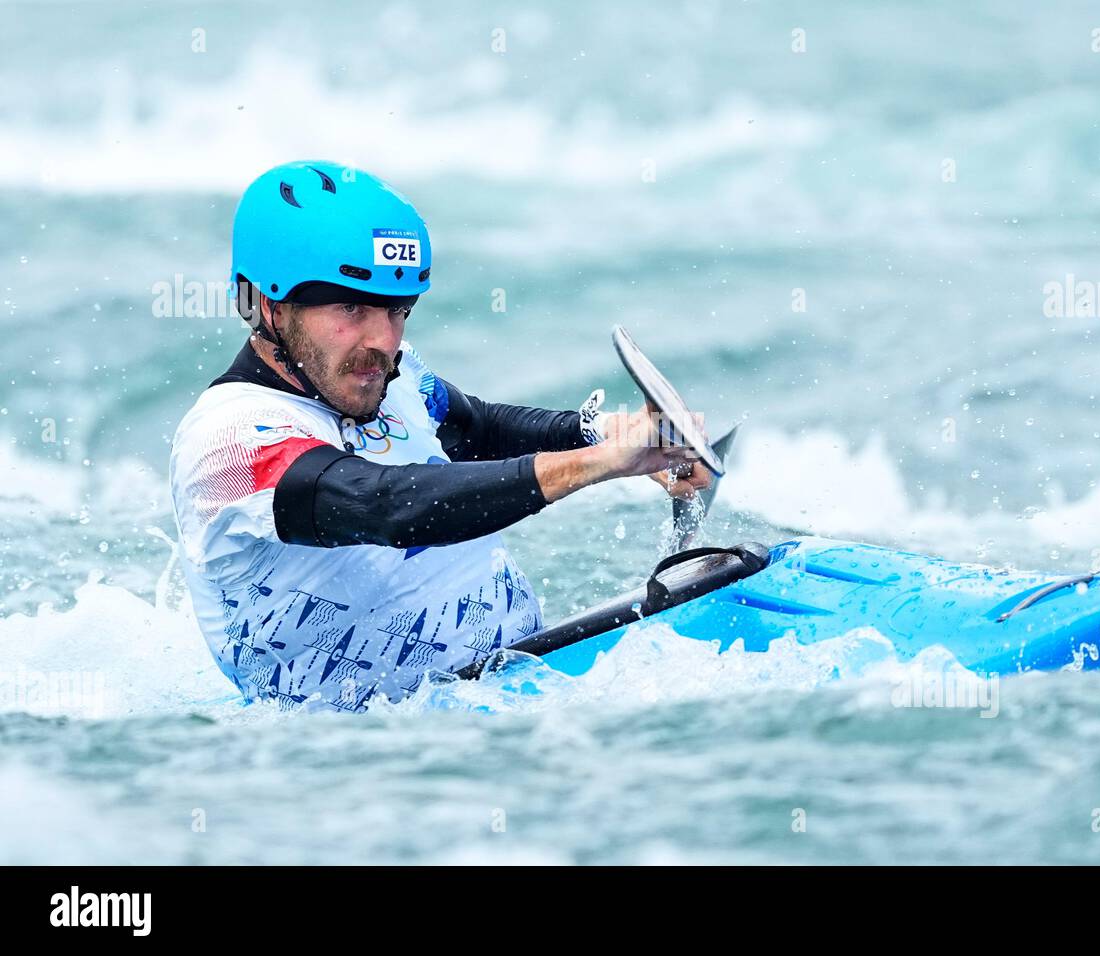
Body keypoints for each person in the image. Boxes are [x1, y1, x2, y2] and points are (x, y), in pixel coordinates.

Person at [168, 160, 709, 711]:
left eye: (399, 309)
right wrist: (602, 464)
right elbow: (385, 504)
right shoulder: (228, 442)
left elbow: (480, 428)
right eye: (351, 307)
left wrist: (608, 433)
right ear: (268, 304)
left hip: (522, 688)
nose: (383, 340)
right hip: (368, 755)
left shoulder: (388, 379)